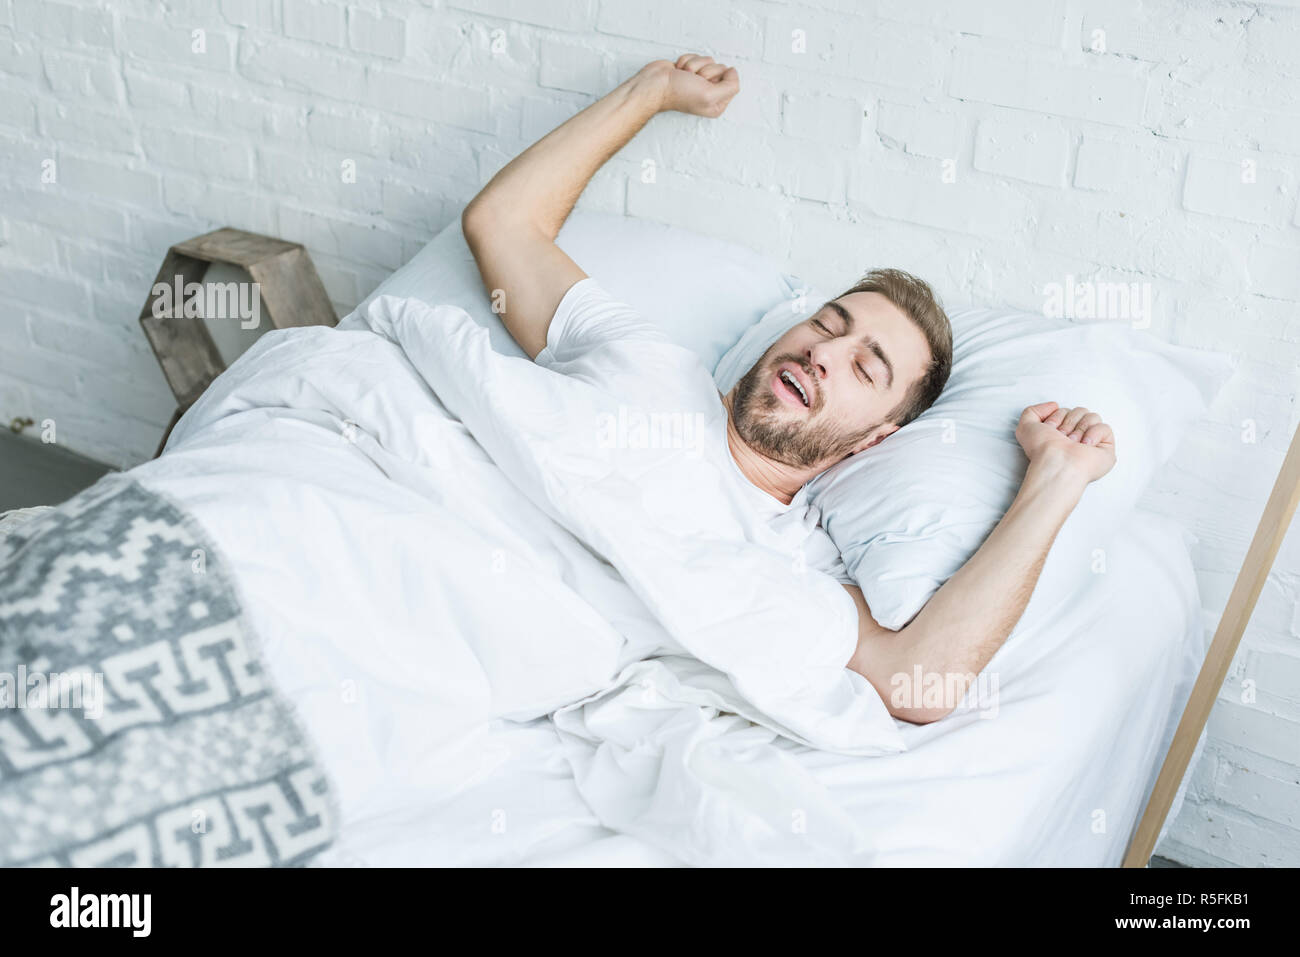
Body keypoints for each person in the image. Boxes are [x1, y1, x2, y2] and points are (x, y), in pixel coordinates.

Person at [460, 54, 1116, 724]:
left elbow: (918, 679)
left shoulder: (794, 558)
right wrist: (649, 92)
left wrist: (1056, 481)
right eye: (828, 323)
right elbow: (502, 222)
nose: (825, 351)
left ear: (876, 438)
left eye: (866, 368)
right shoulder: (644, 358)